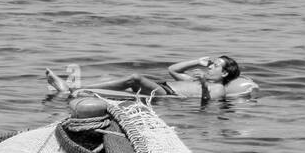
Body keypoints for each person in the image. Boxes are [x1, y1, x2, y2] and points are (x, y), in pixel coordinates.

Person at [46, 55, 259, 103]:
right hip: (162, 86)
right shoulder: (196, 77)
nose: (211, 66)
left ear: (224, 74)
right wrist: (197, 62)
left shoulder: (218, 88)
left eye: (215, 65)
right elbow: (173, 69)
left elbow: (206, 100)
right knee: (111, 80)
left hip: (165, 94)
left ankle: (70, 89)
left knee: (134, 78)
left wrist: (202, 83)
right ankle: (71, 90)